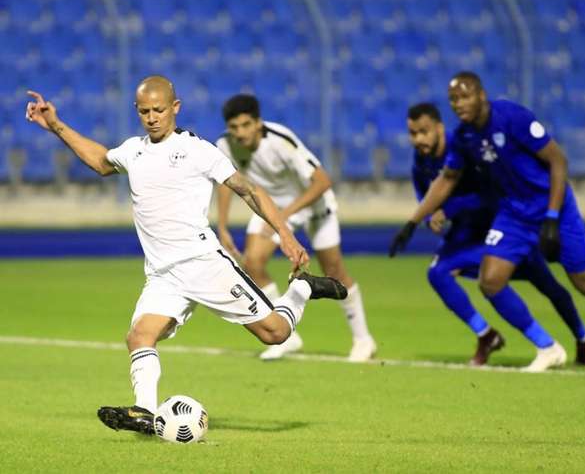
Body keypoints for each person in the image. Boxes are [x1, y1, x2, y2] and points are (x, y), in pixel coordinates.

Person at [24, 76, 347, 436]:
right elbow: (100, 162)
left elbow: (249, 191)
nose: (152, 117)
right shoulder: (133, 150)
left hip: (205, 264)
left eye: (159, 110)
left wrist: (284, 234)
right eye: (144, 111)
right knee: (139, 336)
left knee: (276, 333)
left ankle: (302, 289)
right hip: (163, 274)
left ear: (175, 107)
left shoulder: (197, 150)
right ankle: (145, 412)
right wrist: (56, 125)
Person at [391, 72, 585, 372]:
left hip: (553, 206)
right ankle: (547, 347)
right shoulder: (464, 137)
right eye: (453, 99)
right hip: (514, 214)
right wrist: (413, 222)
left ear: (481, 95)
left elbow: (558, 161)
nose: (458, 104)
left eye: (464, 97)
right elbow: (447, 179)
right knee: (490, 281)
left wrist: (552, 217)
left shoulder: (512, 117)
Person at [402, 102, 585, 367]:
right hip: (467, 235)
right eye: (413, 133)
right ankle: (489, 336)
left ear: (439, 128)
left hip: (501, 225)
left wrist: (449, 209)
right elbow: (425, 198)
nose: (418, 139)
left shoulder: (463, 146)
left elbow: (489, 193)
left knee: (546, 284)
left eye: (423, 132)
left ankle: (583, 337)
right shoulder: (420, 162)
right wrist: (428, 217)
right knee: (438, 272)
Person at [215, 94, 376, 362]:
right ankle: (287, 335)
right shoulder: (224, 145)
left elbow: (322, 181)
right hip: (272, 206)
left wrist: (281, 219)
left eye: (246, 125)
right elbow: (226, 181)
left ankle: (363, 339)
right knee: (253, 262)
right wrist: (222, 226)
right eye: (234, 127)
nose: (240, 133)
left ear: (258, 123)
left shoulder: (280, 140)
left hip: (312, 205)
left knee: (334, 271)